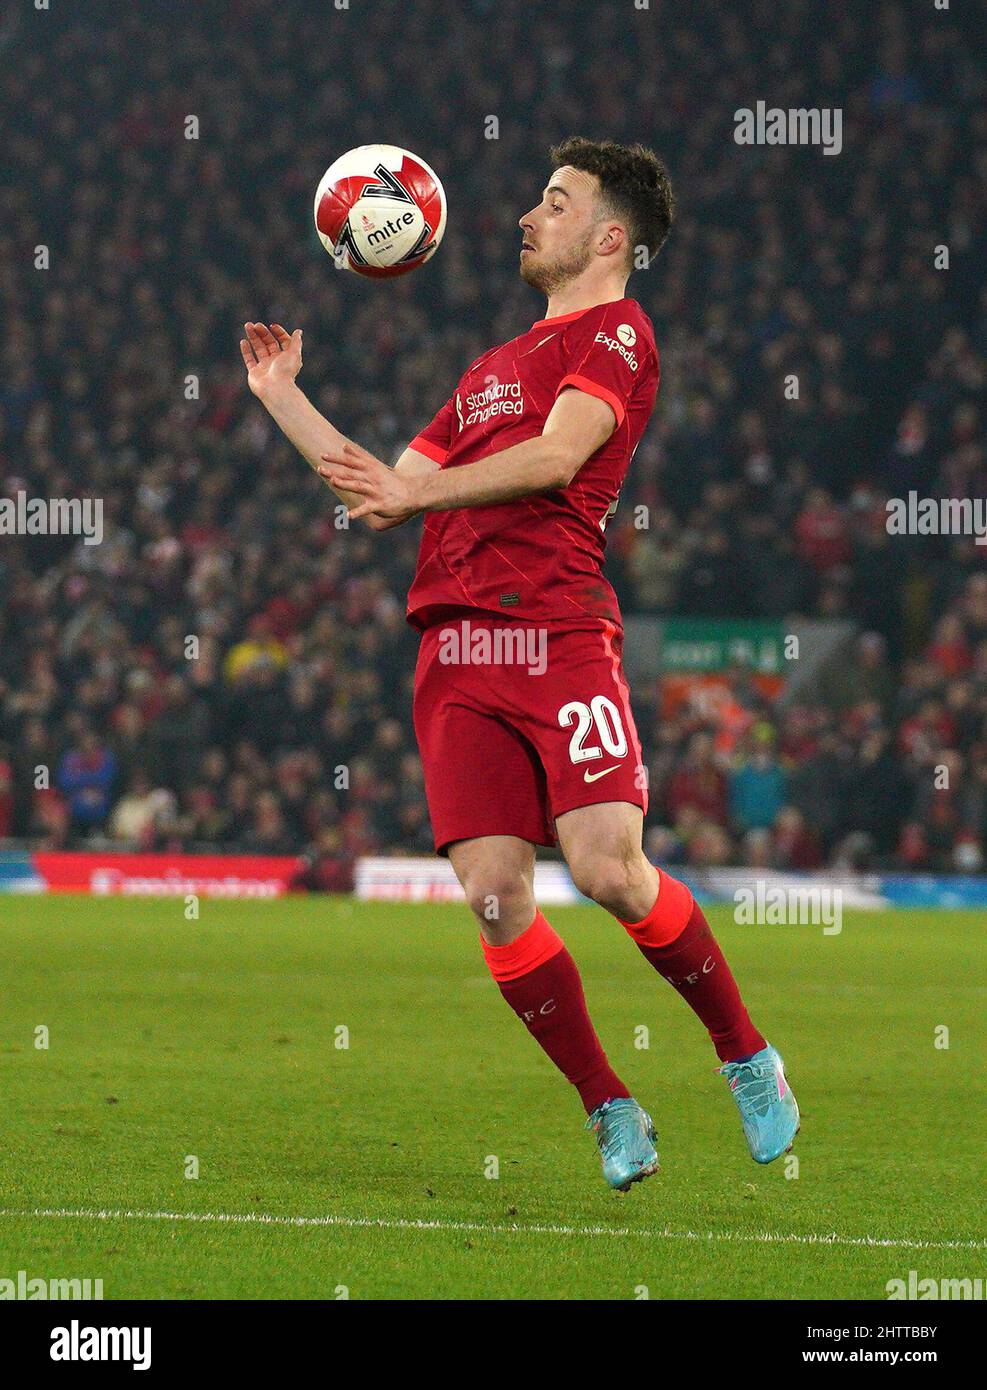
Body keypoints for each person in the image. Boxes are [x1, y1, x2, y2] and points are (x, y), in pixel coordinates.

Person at [240, 137, 798, 1191]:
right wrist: (281, 396)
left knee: (607, 871)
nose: (529, 218)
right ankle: (610, 1106)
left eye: (556, 202)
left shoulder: (621, 335)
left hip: (557, 634)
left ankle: (746, 1056)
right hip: (455, 655)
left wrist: (416, 498)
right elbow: (377, 485)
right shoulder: (489, 369)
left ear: (610, 236)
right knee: (496, 899)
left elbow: (557, 458)